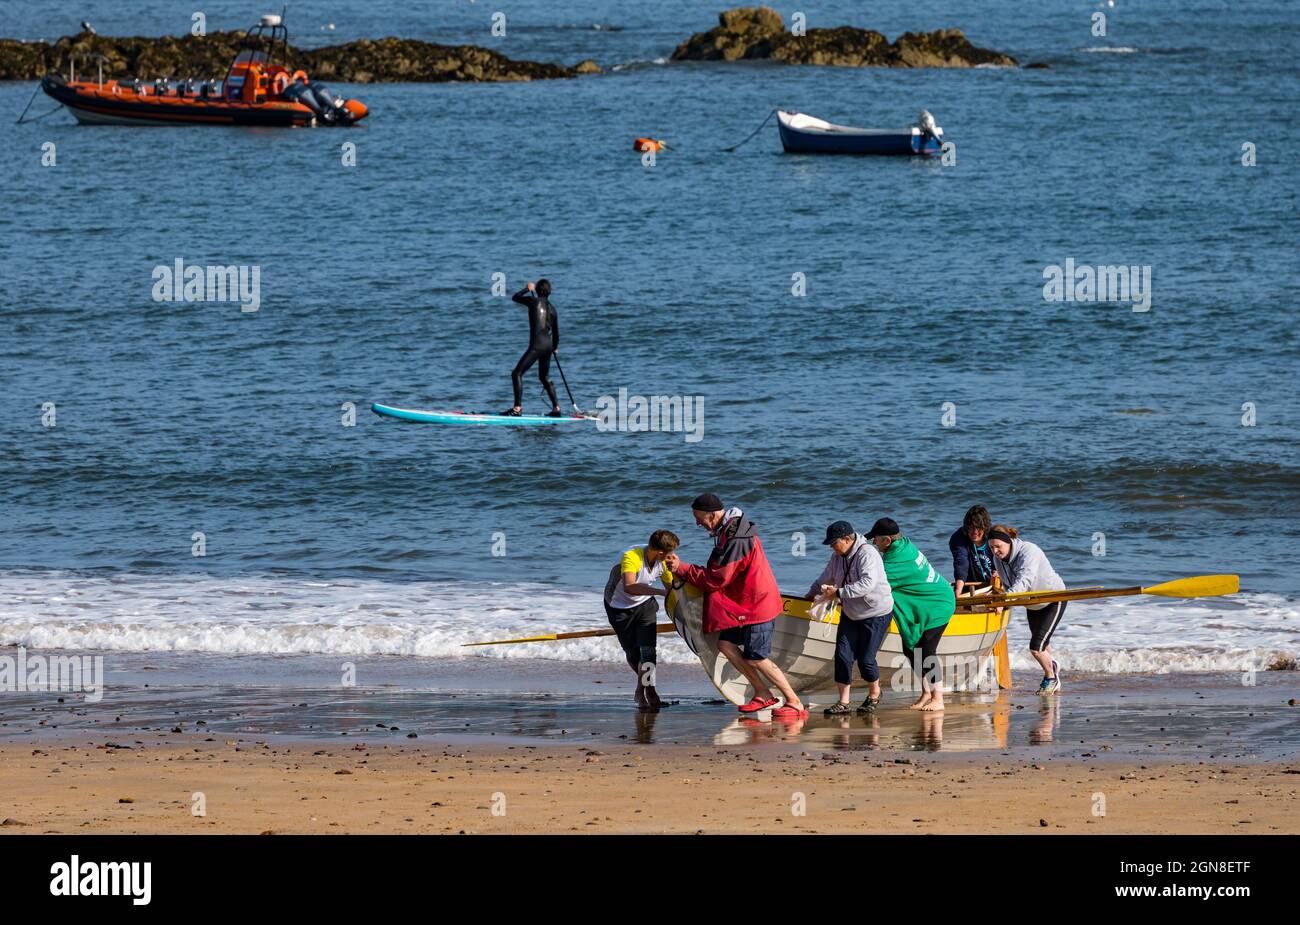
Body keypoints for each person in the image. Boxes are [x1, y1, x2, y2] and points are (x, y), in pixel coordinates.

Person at [662, 493, 806, 719]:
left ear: (712, 514)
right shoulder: (728, 532)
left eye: (698, 517)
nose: (697, 522)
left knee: (756, 657)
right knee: (726, 645)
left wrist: (682, 568)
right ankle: (763, 692)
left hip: (755, 605)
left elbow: (717, 579)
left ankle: (795, 702)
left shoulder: (737, 538)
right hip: (742, 605)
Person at [867, 518, 956, 712]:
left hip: (938, 605)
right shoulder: (904, 544)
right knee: (910, 650)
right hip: (929, 601)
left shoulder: (896, 562)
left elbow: (874, 586)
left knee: (926, 651)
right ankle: (926, 693)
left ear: (888, 541)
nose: (874, 543)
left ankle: (938, 699)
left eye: (876, 539)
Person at [808, 520, 894, 716]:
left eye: (834, 543)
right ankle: (843, 702)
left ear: (847, 539)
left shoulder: (867, 554)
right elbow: (826, 577)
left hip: (876, 613)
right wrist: (811, 593)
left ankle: (874, 693)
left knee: (866, 660)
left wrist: (838, 592)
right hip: (850, 613)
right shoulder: (837, 557)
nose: (832, 547)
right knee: (842, 656)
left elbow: (867, 584)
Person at [603, 530, 679, 710]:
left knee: (648, 652)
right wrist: (659, 592)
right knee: (634, 655)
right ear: (660, 552)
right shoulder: (631, 556)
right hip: (618, 608)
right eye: (670, 553)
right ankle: (646, 688)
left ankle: (646, 690)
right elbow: (629, 586)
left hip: (645, 606)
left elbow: (671, 588)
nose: (673, 557)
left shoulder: (663, 562)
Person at [987, 524, 1066, 694]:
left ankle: (1051, 678)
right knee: (1043, 645)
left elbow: (1024, 581)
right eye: (991, 547)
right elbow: (1008, 584)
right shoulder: (998, 559)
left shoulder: (1029, 551)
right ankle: (1052, 665)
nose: (995, 551)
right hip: (1032, 603)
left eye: (998, 546)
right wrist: (1001, 600)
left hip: (1054, 598)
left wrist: (1005, 600)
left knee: (1036, 647)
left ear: (1008, 542)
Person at [503, 279, 561, 417]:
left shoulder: (533, 301)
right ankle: (556, 408)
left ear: (537, 290)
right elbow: (557, 334)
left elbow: (515, 297)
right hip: (548, 345)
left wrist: (527, 289)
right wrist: (555, 347)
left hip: (537, 345)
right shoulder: (553, 309)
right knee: (544, 377)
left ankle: (517, 409)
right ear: (549, 292)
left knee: (516, 373)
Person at [949, 504, 1010, 599]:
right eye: (971, 527)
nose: (974, 532)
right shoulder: (958, 538)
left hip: (995, 586)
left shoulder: (993, 537)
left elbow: (1007, 557)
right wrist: (958, 590)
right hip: (969, 587)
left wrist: (1000, 572)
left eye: (978, 527)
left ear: (985, 527)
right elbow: (961, 562)